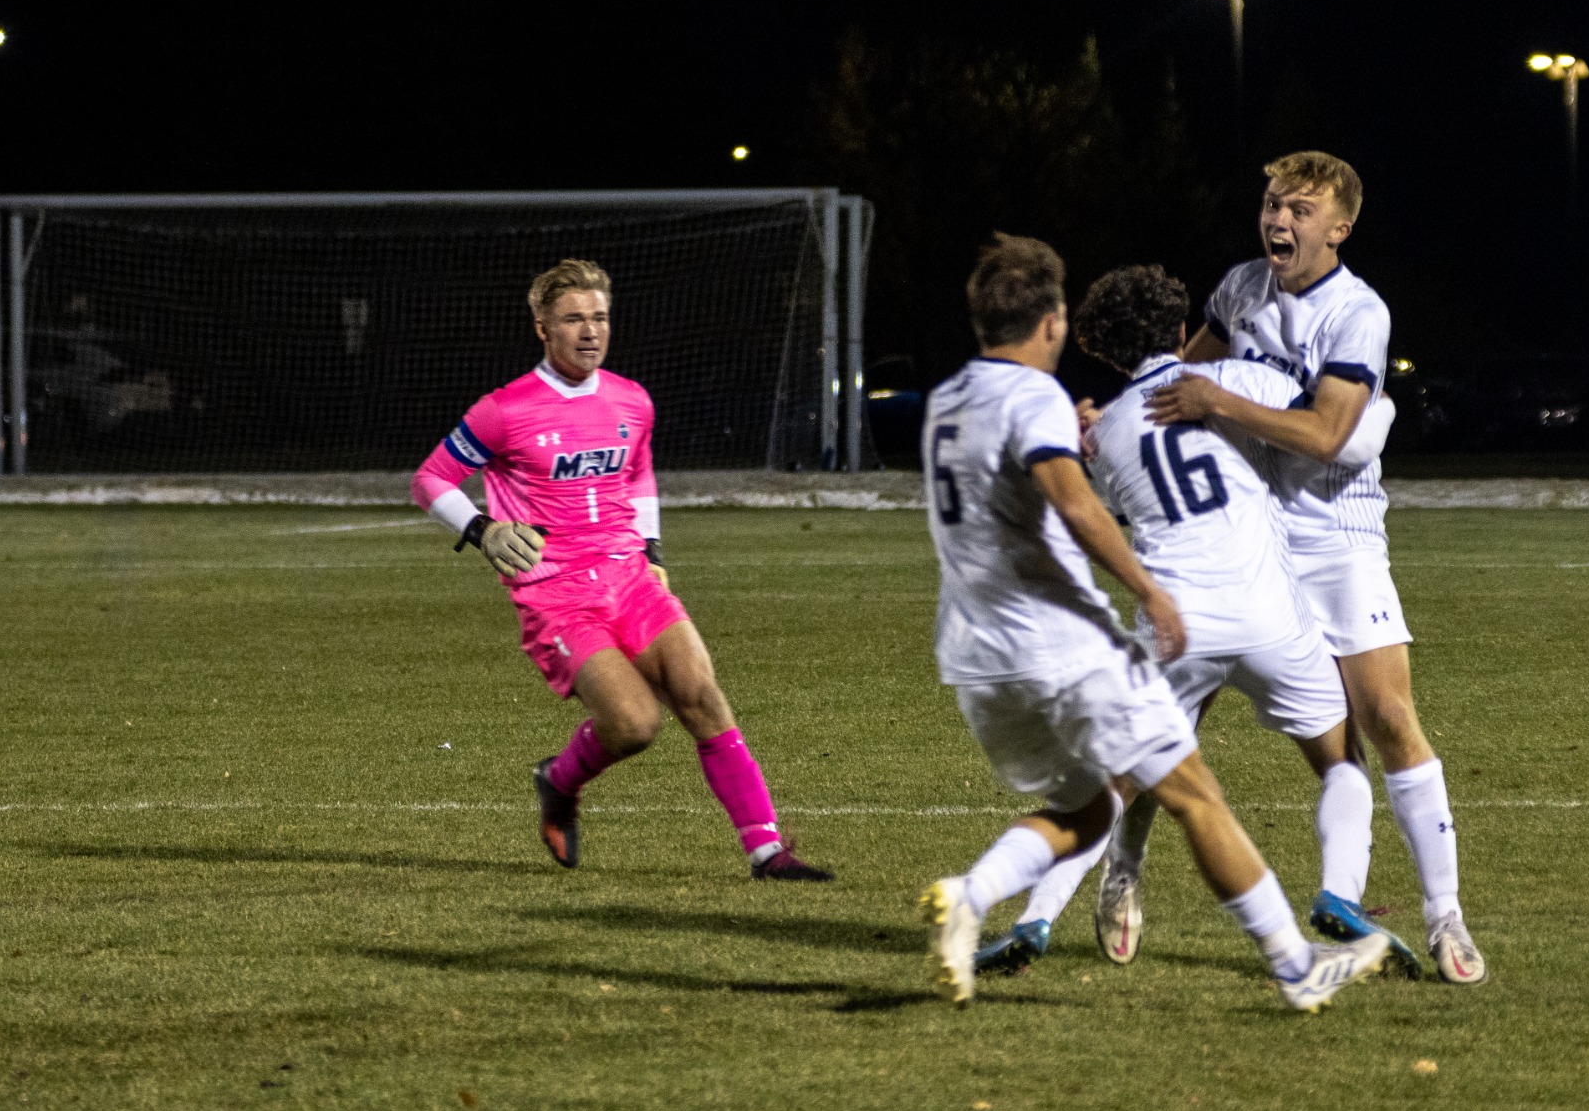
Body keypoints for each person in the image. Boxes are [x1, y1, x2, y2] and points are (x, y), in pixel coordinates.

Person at [916, 233, 1387, 1011]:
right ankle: (1304, 959)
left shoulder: (974, 406)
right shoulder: (1225, 380)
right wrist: (1145, 585)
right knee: (1235, 784)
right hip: (1142, 630)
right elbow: (1329, 429)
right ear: (1055, 324)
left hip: (981, 650)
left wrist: (1086, 434)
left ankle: (1000, 903)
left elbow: (1060, 471)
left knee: (1099, 796)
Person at [1145, 152, 1486, 984]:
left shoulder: (1357, 313)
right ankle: (1119, 881)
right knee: (1168, 711)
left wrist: (1219, 402)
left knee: (1389, 719)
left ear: (1340, 228)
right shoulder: (1239, 288)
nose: (1279, 222)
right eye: (1271, 205)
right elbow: (1184, 379)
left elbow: (1328, 434)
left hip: (1336, 536)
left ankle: (1446, 918)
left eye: (1299, 210)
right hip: (1249, 538)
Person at [410, 258, 831, 881]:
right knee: (634, 725)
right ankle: (558, 780)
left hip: (630, 576)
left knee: (702, 695)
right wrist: (482, 529)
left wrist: (653, 553)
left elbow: (638, 476)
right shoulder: (506, 410)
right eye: (573, 318)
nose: (590, 331)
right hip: (556, 595)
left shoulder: (632, 400)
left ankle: (767, 852)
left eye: (600, 317)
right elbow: (430, 477)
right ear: (542, 328)